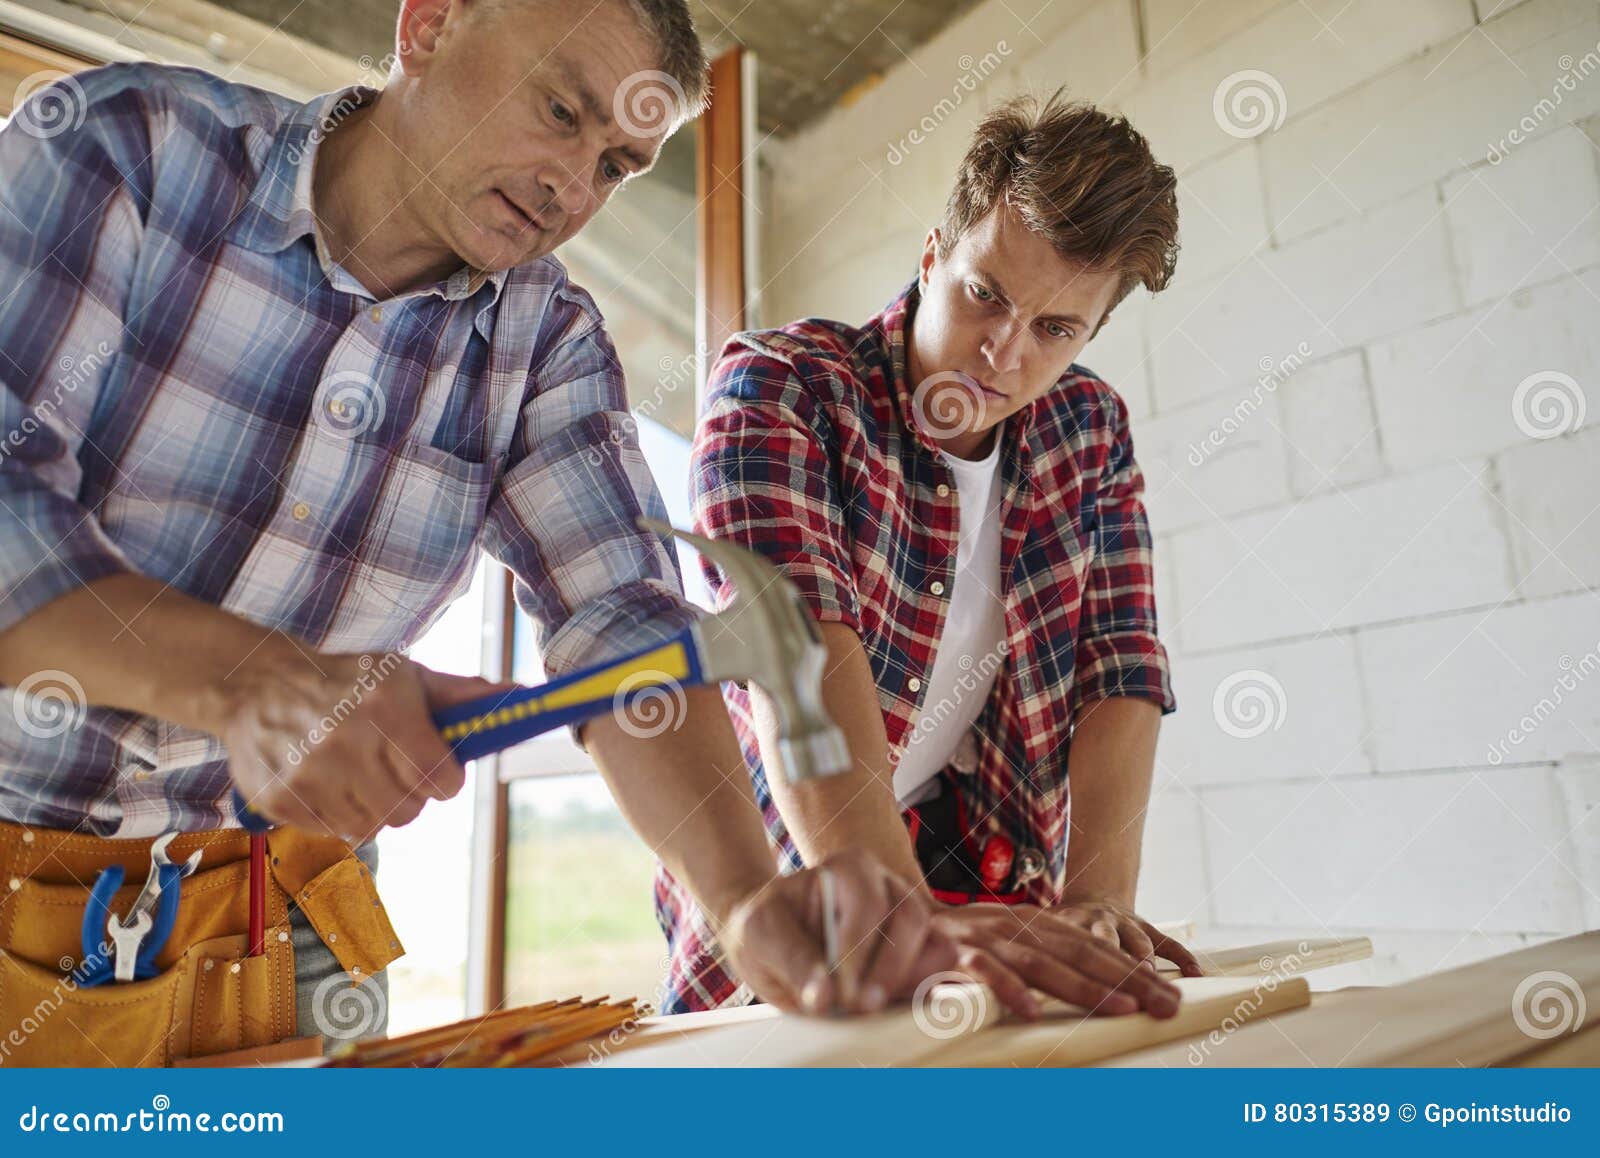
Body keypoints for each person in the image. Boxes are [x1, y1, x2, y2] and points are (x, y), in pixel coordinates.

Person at [0, 0, 950, 1065]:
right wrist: (253, 683)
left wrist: (741, 899)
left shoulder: (544, 342)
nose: (572, 188)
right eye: (559, 110)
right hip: (24, 890)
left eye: (619, 165)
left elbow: (623, 628)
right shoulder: (127, 147)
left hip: (296, 909)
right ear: (431, 23)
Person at [658, 92, 1201, 1019]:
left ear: (1089, 338)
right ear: (932, 254)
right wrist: (893, 917)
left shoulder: (1091, 431)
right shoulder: (781, 388)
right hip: (802, 874)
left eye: (1054, 330)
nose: (1002, 351)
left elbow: (1120, 669)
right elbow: (792, 654)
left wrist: (1100, 901)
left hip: (991, 867)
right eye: (985, 293)